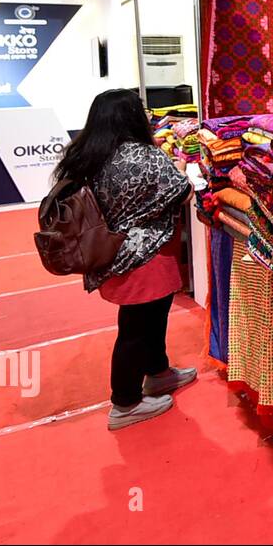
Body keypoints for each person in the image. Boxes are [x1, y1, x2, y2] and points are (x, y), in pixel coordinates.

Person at [54, 88, 196, 430]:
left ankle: (158, 372)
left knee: (147, 319)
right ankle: (125, 402)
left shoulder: (89, 154)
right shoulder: (141, 156)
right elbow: (181, 190)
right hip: (144, 255)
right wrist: (178, 167)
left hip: (114, 255)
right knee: (136, 327)